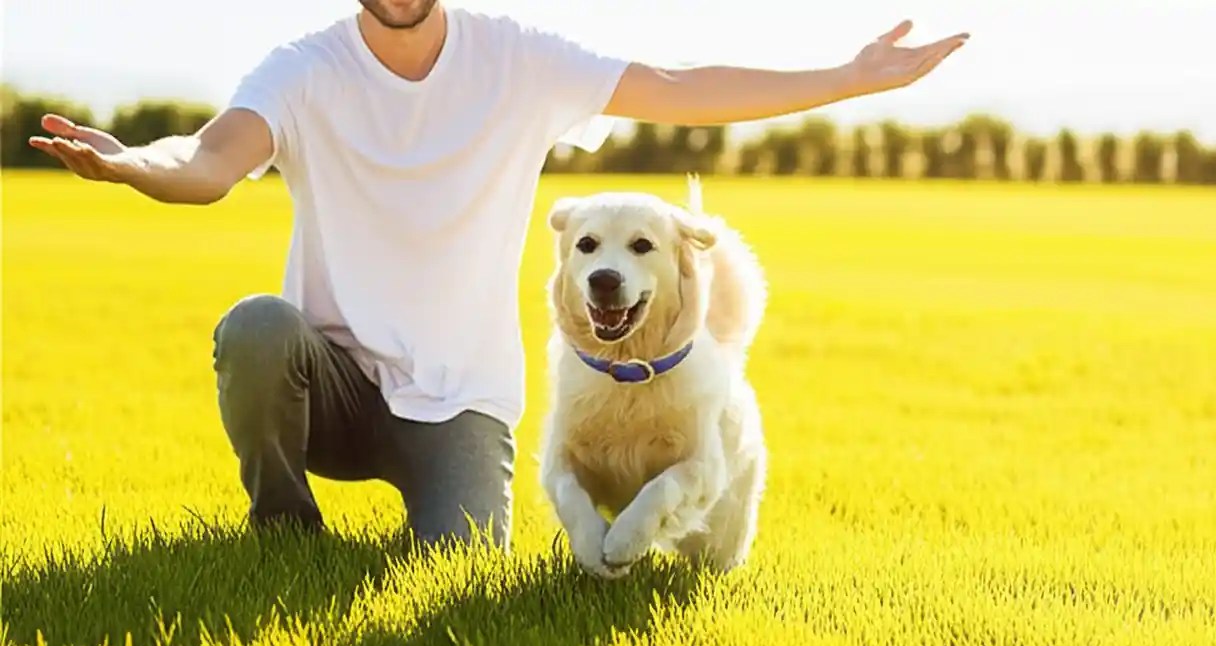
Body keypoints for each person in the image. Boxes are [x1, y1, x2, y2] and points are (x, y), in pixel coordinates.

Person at [28, 0, 968, 551]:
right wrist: (134, 162)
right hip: (335, 387)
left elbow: (680, 88)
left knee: (460, 562)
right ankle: (285, 527)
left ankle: (435, 494)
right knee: (257, 328)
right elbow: (206, 158)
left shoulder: (515, 60)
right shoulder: (302, 70)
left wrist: (850, 77)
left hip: (464, 404)